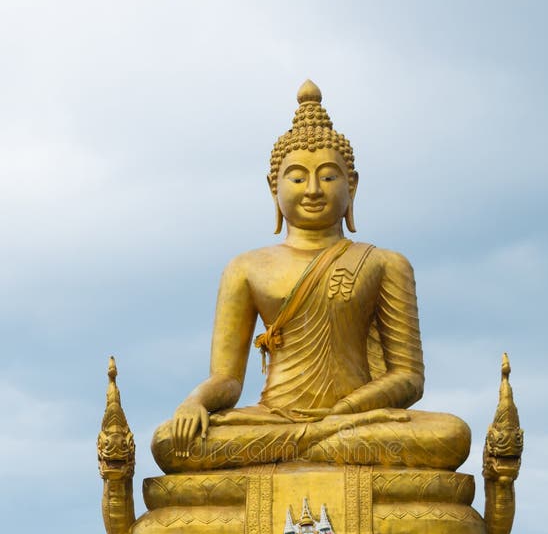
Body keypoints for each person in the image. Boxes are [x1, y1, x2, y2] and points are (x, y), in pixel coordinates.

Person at [152, 81, 469, 472]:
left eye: (329, 177)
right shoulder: (247, 267)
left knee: (451, 435)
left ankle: (298, 450)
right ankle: (311, 446)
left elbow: (408, 376)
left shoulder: (384, 263)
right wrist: (196, 401)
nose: (314, 190)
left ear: (352, 186)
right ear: (274, 188)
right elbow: (227, 378)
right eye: (298, 178)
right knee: (170, 441)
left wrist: (345, 411)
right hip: (276, 421)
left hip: (355, 420)